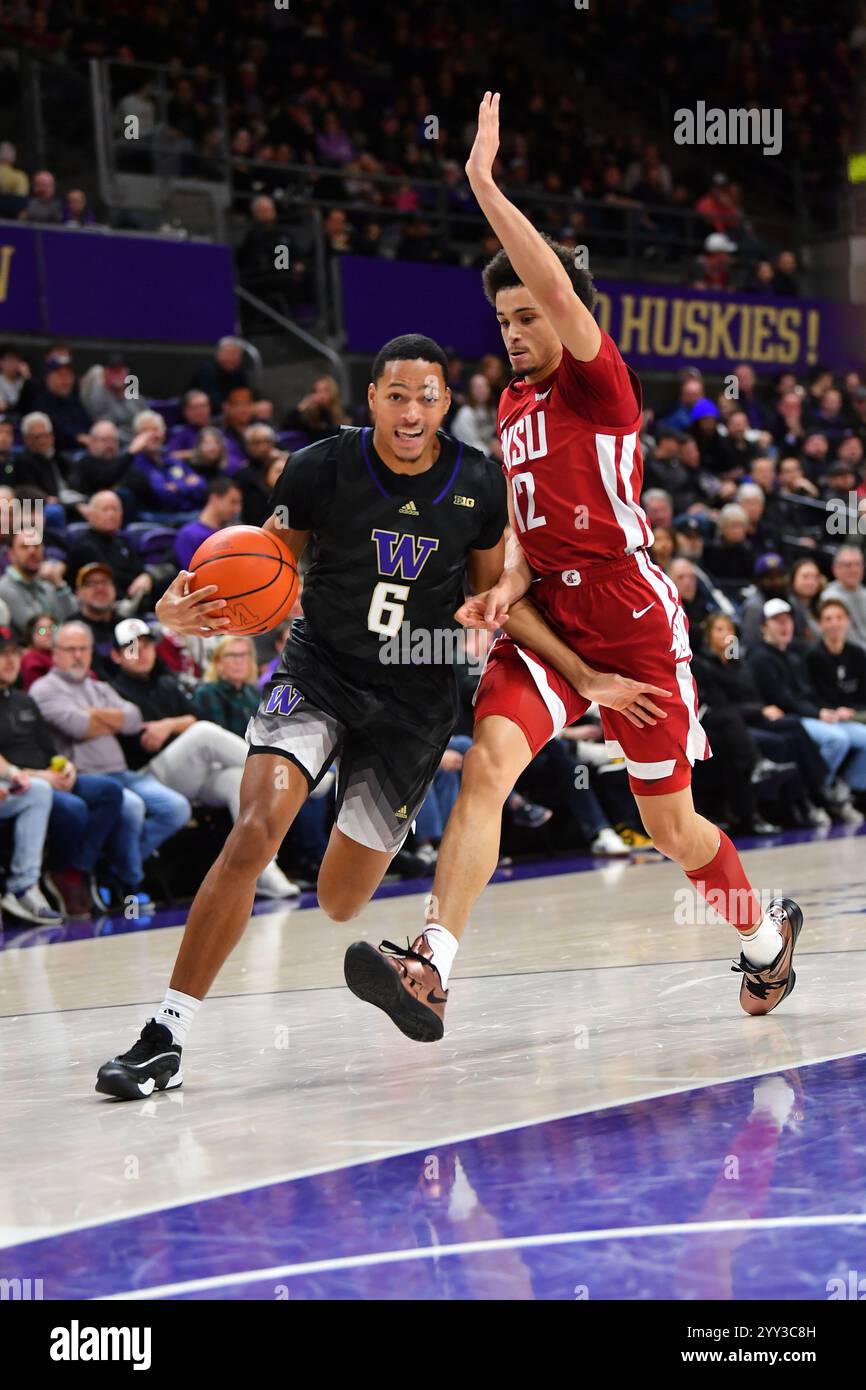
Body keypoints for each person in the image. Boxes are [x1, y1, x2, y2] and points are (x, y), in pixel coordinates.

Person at [343, 94, 804, 1047]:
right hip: (550, 620)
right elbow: (523, 526)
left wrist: (483, 184)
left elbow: (558, 289)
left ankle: (766, 939)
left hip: (631, 619)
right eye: (502, 318)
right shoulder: (514, 406)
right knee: (487, 768)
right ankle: (432, 966)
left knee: (671, 829)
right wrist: (507, 585)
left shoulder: (599, 383)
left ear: (565, 315)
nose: (514, 330)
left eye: (528, 314)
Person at [95, 330, 526, 1098]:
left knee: (339, 900)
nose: (411, 411)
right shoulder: (319, 467)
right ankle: (167, 1033)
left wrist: (496, 619)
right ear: (372, 398)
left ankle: (382, 912)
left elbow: (490, 592)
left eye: (427, 397)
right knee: (254, 831)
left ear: (445, 405)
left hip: (417, 692)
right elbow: (259, 565)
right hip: (320, 668)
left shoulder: (480, 483)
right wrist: (179, 609)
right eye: (397, 395)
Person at [107, 618, 297, 899]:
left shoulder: (165, 683)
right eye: (132, 647)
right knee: (204, 734)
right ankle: (286, 769)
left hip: (188, 771)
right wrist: (179, 724)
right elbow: (145, 734)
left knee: (239, 781)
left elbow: (192, 717)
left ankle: (262, 869)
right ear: (116, 655)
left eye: (147, 645)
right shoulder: (113, 689)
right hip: (147, 775)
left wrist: (169, 725)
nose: (142, 652)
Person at [30, 622, 192, 898]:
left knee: (177, 808)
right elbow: (78, 727)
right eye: (70, 649)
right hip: (86, 776)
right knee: (132, 807)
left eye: (83, 649)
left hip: (123, 773)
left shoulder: (99, 687)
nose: (78, 655)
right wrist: (110, 719)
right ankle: (131, 883)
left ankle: (111, 867)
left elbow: (133, 719)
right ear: (55, 653)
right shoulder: (44, 689)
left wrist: (94, 713)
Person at [0, 625, 125, 917]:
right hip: (23, 781)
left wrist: (64, 765)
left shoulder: (24, 700)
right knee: (72, 808)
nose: (10, 660)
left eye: (14, 653)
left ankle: (75, 869)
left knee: (110, 792)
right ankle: (44, 875)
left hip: (45, 776)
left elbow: (49, 748)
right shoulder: (41, 690)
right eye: (2, 654)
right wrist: (38, 776)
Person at [65, 490, 152, 601]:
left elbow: (139, 571)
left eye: (115, 509)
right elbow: (110, 582)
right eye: (105, 509)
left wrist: (146, 577)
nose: (111, 514)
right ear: (90, 514)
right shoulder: (84, 546)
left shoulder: (123, 542)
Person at [0, 529, 77, 640]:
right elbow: (38, 631)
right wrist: (63, 634)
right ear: (11, 554)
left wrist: (59, 583)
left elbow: (73, 615)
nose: (32, 551)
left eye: (36, 546)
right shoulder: (5, 589)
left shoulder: (47, 584)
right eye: (24, 547)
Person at [174, 477, 242, 570]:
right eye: (233, 502)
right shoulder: (189, 534)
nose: (238, 509)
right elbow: (191, 572)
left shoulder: (232, 531)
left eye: (239, 503)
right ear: (215, 499)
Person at [822, 547, 866, 650]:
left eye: (858, 564)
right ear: (835, 569)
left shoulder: (863, 591)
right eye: (848, 565)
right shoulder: (831, 599)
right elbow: (848, 640)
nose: (854, 570)